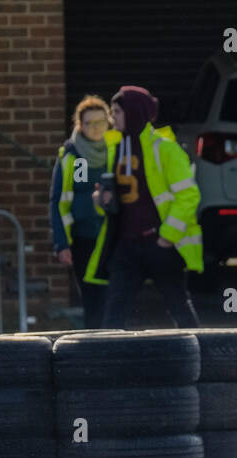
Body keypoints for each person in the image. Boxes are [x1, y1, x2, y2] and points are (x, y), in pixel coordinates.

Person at [86, 85, 202, 328]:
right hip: (126, 246)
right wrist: (101, 202)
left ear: (134, 112)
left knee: (179, 308)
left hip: (160, 244)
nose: (111, 117)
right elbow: (117, 200)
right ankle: (108, 363)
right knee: (113, 315)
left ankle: (201, 360)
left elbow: (188, 196)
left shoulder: (166, 150)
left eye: (117, 111)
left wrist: (167, 237)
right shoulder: (114, 149)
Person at [49, 95, 110, 328]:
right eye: (89, 123)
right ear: (79, 125)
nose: (95, 128)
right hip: (84, 237)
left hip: (114, 236)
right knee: (92, 299)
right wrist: (61, 243)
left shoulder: (117, 151)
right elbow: (59, 200)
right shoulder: (75, 158)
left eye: (100, 122)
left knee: (114, 297)